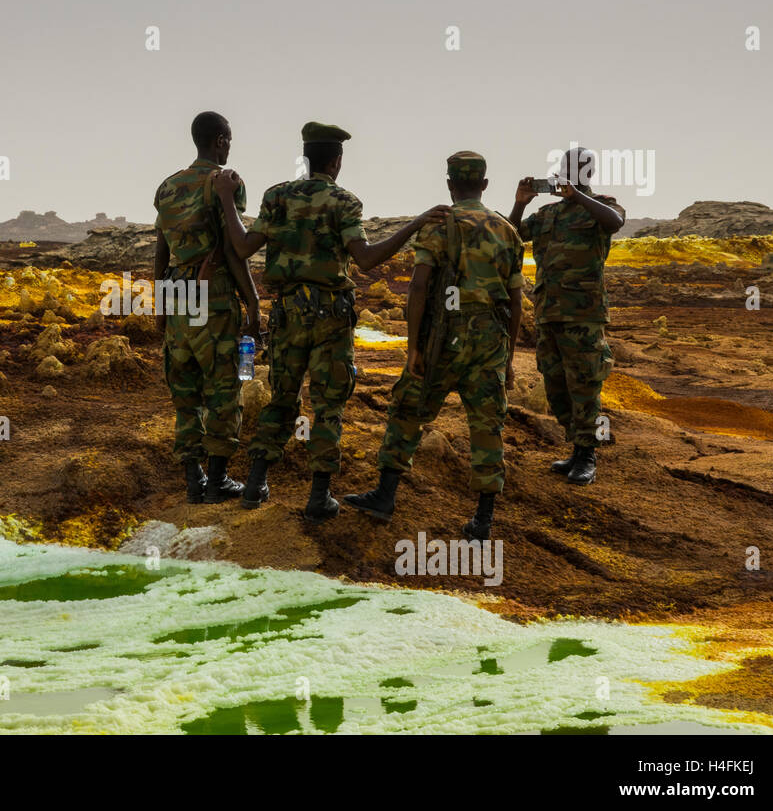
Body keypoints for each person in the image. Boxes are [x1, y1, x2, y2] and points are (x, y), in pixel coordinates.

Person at [212, 121, 448, 519]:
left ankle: (254, 484)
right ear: (337, 161)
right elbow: (367, 258)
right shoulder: (344, 202)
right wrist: (416, 224)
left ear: (305, 158)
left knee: (281, 400)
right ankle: (318, 496)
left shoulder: (276, 196)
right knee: (328, 407)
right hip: (331, 317)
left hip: (287, 315)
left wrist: (226, 200)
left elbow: (242, 246)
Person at [345, 151, 524, 540]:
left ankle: (385, 496)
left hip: (445, 336)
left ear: (449, 185)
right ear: (485, 184)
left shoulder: (440, 225)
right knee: (488, 424)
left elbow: (420, 287)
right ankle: (483, 518)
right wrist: (507, 358)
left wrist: (414, 348)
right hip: (490, 339)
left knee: (409, 409)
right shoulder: (507, 231)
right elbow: (515, 302)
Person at [153, 111, 261, 503]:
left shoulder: (167, 187)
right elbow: (234, 249)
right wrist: (252, 302)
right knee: (222, 388)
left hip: (177, 296)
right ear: (219, 141)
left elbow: (161, 251)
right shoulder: (225, 183)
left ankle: (193, 480)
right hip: (212, 298)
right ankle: (218, 480)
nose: (230, 146)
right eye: (228, 139)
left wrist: (161, 308)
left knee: (184, 390)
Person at [509, 147, 626, 485]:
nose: (570, 173)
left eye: (577, 169)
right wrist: (520, 202)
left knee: (585, 383)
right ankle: (576, 449)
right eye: (566, 168)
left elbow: (615, 222)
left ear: (587, 174)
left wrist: (578, 196)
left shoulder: (602, 206)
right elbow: (510, 235)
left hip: (584, 314)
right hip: (549, 313)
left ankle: (588, 454)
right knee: (556, 383)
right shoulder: (547, 215)